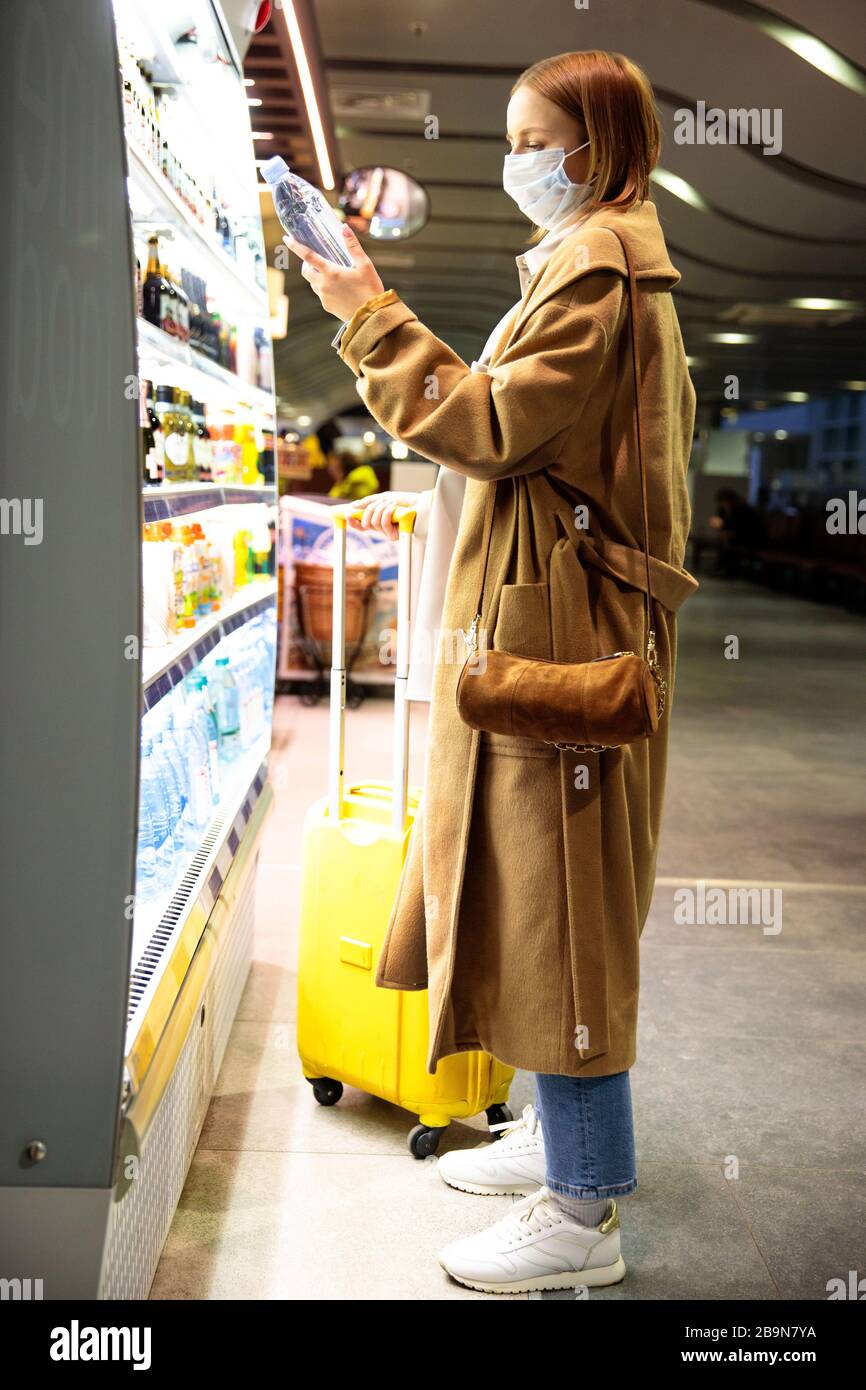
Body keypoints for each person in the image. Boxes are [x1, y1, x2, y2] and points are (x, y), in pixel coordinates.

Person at [283, 49, 698, 1295]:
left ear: (596, 144)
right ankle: (557, 1145)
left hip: (563, 633)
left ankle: (581, 1217)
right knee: (539, 893)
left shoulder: (597, 269)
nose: (515, 161)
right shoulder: (605, 257)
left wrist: (364, 305)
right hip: (556, 612)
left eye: (534, 138)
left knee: (562, 915)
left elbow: (484, 422)